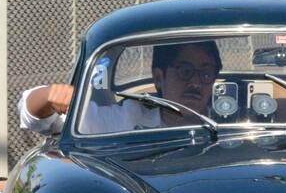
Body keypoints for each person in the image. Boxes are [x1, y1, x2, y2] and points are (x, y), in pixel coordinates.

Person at [19, 40, 222, 135]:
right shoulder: (126, 119)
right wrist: (49, 96)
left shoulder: (234, 122)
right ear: (159, 77)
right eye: (185, 71)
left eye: (205, 74)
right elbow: (40, 122)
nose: (196, 83)